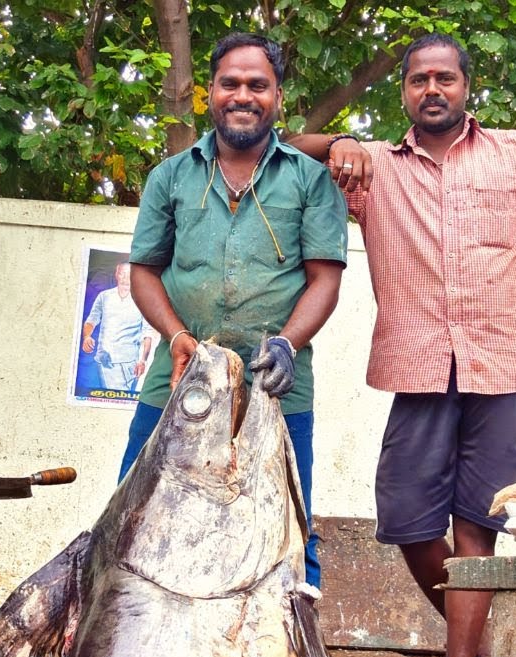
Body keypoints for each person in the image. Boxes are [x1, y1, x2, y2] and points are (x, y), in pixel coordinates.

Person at [289, 33, 516, 657]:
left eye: (445, 78)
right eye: (419, 80)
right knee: (411, 523)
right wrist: (340, 140)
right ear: (405, 91)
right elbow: (281, 146)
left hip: (508, 366)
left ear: (467, 86)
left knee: (477, 531)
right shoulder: (375, 167)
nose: (432, 90)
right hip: (416, 369)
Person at [117, 32, 349, 589]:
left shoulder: (311, 180)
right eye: (231, 83)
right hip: (180, 379)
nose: (243, 95)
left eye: (258, 85)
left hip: (279, 380)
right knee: (133, 510)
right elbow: (146, 271)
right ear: (210, 93)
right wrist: (176, 338)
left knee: (288, 526)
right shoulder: (169, 178)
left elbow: (325, 280)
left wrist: (287, 344)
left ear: (278, 98)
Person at [81, 262, 151, 392]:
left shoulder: (143, 300)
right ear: (116, 275)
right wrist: (87, 337)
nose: (125, 278)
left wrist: (143, 360)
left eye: (129, 274)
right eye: (122, 273)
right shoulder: (104, 296)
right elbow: (92, 320)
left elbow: (147, 334)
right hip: (106, 361)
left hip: (131, 363)